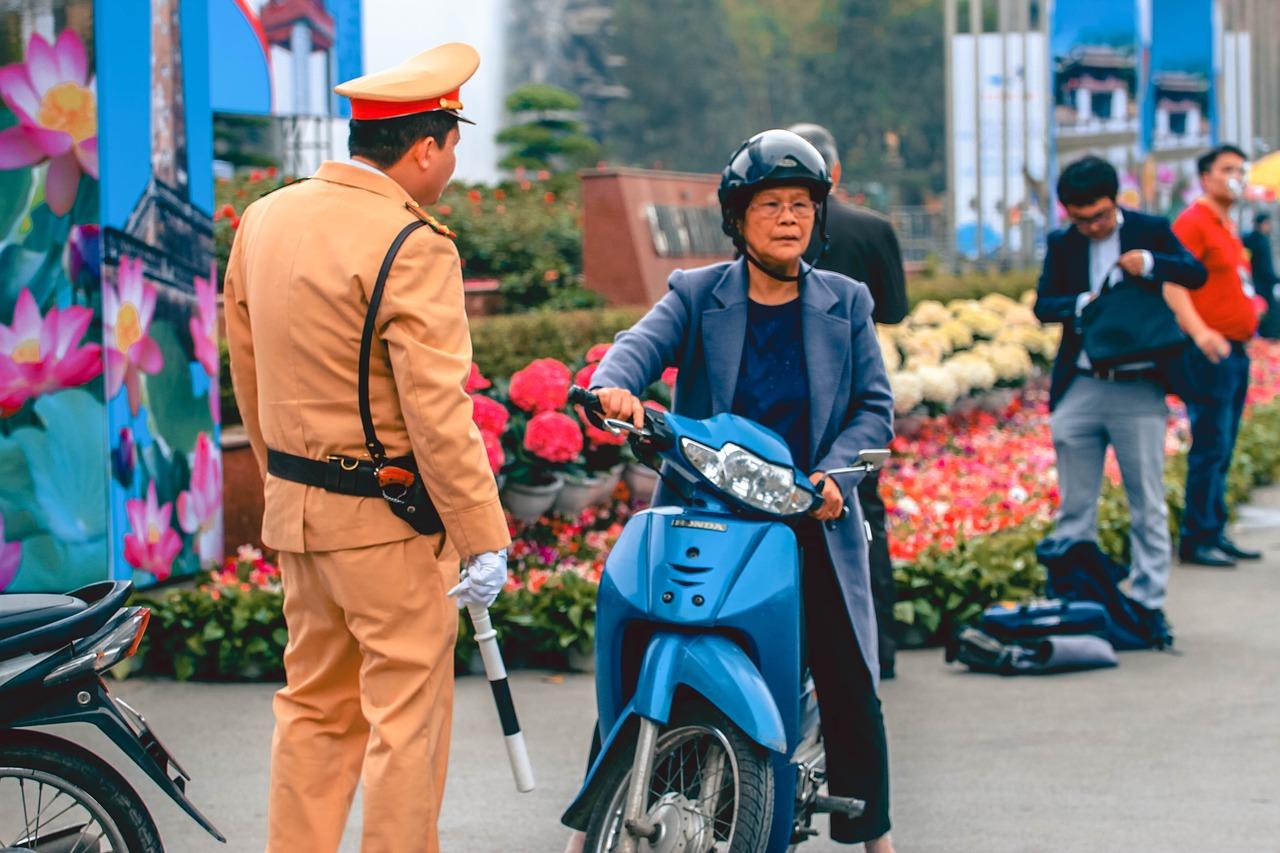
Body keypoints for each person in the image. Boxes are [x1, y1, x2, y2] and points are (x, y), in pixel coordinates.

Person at [567, 129, 896, 852]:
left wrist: (835, 472)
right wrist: (614, 387)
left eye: (802, 204)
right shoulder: (696, 294)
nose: (789, 217)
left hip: (806, 515)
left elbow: (874, 408)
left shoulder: (847, 302)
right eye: (771, 204)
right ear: (738, 218)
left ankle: (875, 838)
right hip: (706, 508)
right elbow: (637, 346)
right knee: (649, 653)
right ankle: (592, 823)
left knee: (846, 675)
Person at [224, 43, 511, 853]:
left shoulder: (266, 217)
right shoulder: (412, 241)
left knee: (314, 711)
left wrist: (286, 477)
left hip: (299, 515)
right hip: (391, 526)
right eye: (450, 146)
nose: (450, 164)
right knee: (404, 719)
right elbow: (438, 411)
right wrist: (483, 535)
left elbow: (246, 366)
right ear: (424, 148)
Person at [1033, 155, 1206, 644]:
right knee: (1074, 504)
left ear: (1116, 201)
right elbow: (1043, 304)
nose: (1093, 227)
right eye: (1081, 219)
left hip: (1139, 385)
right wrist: (1082, 304)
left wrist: (1150, 264)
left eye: (1101, 216)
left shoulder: (1149, 230)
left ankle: (1148, 603)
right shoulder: (1063, 243)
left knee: (1146, 500)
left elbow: (1195, 273)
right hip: (1082, 385)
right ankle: (1078, 596)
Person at [790, 121, 908, 679]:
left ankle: (799, 652)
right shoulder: (872, 228)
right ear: (835, 171)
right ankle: (876, 647)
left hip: (782, 393)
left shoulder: (768, 229)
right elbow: (895, 311)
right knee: (864, 518)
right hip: (853, 395)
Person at [1166, 144, 1263, 567]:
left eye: (1240, 170)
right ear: (1206, 177)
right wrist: (1201, 332)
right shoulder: (1194, 222)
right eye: (1227, 169)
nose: (1235, 177)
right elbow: (1173, 282)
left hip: (1234, 350)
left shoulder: (1227, 224)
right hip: (1210, 350)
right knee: (1209, 445)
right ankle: (1197, 537)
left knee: (1223, 445)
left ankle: (1214, 530)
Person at [1244, 211, 1280, 340]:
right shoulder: (1262, 241)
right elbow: (1266, 267)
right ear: (1263, 224)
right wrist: (1275, 279)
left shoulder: (1247, 239)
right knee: (1269, 315)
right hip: (1264, 285)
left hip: (1251, 283)